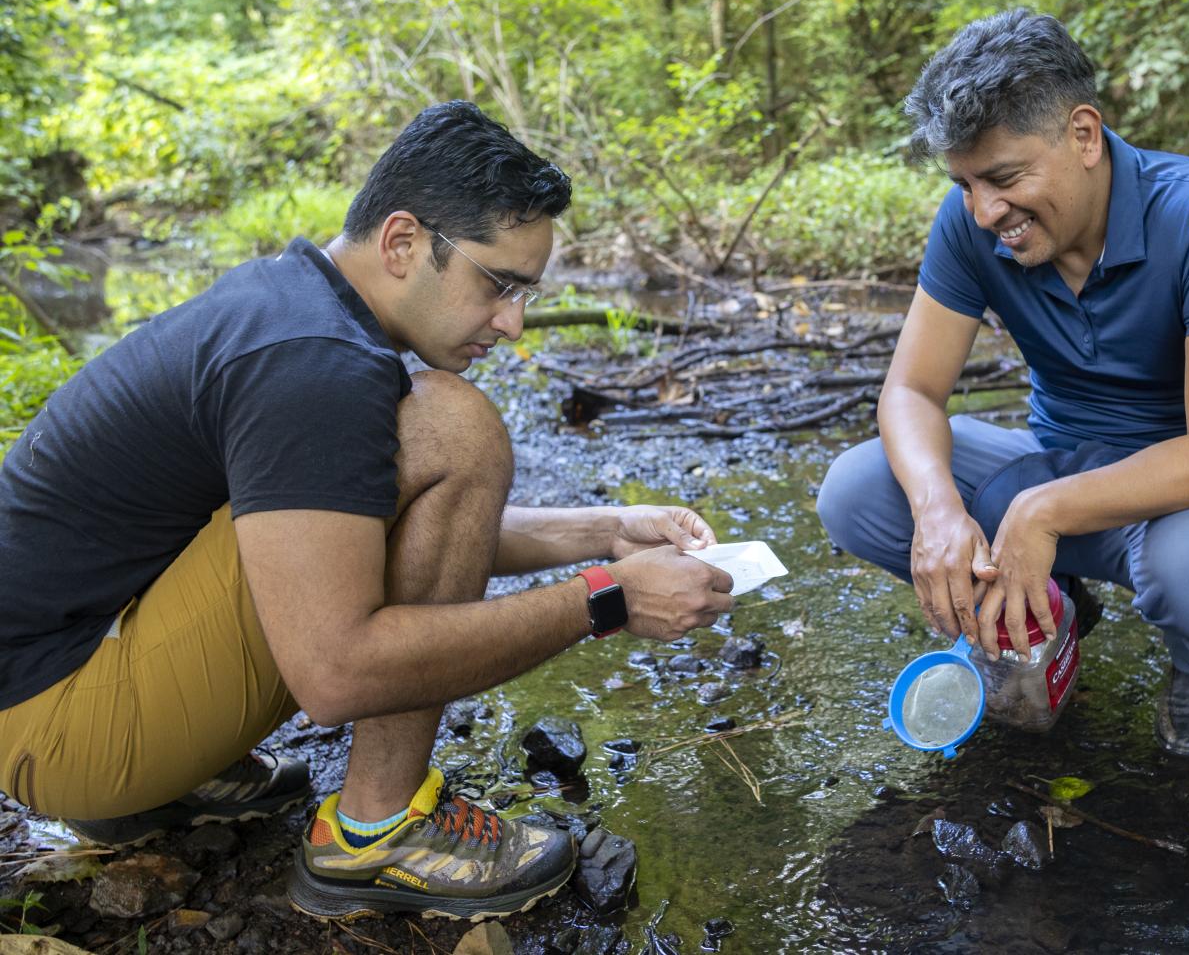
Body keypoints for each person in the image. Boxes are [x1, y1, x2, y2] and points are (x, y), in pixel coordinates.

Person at [0, 100, 735, 922]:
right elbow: (337, 672)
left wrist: (603, 530)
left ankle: (175, 770)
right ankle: (375, 831)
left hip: (61, 682)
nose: (513, 323)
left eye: (526, 293)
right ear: (402, 243)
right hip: (59, 722)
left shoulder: (295, 307)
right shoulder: (314, 364)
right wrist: (608, 597)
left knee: (433, 442)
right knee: (456, 428)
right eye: (498, 285)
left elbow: (350, 530)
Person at [817, 10, 1189, 759]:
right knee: (857, 490)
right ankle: (1045, 608)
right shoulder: (971, 221)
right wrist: (941, 511)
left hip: (1188, 498)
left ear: (1083, 135)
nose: (983, 211)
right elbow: (910, 392)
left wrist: (1041, 514)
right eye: (965, 184)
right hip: (1055, 458)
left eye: (1004, 178)